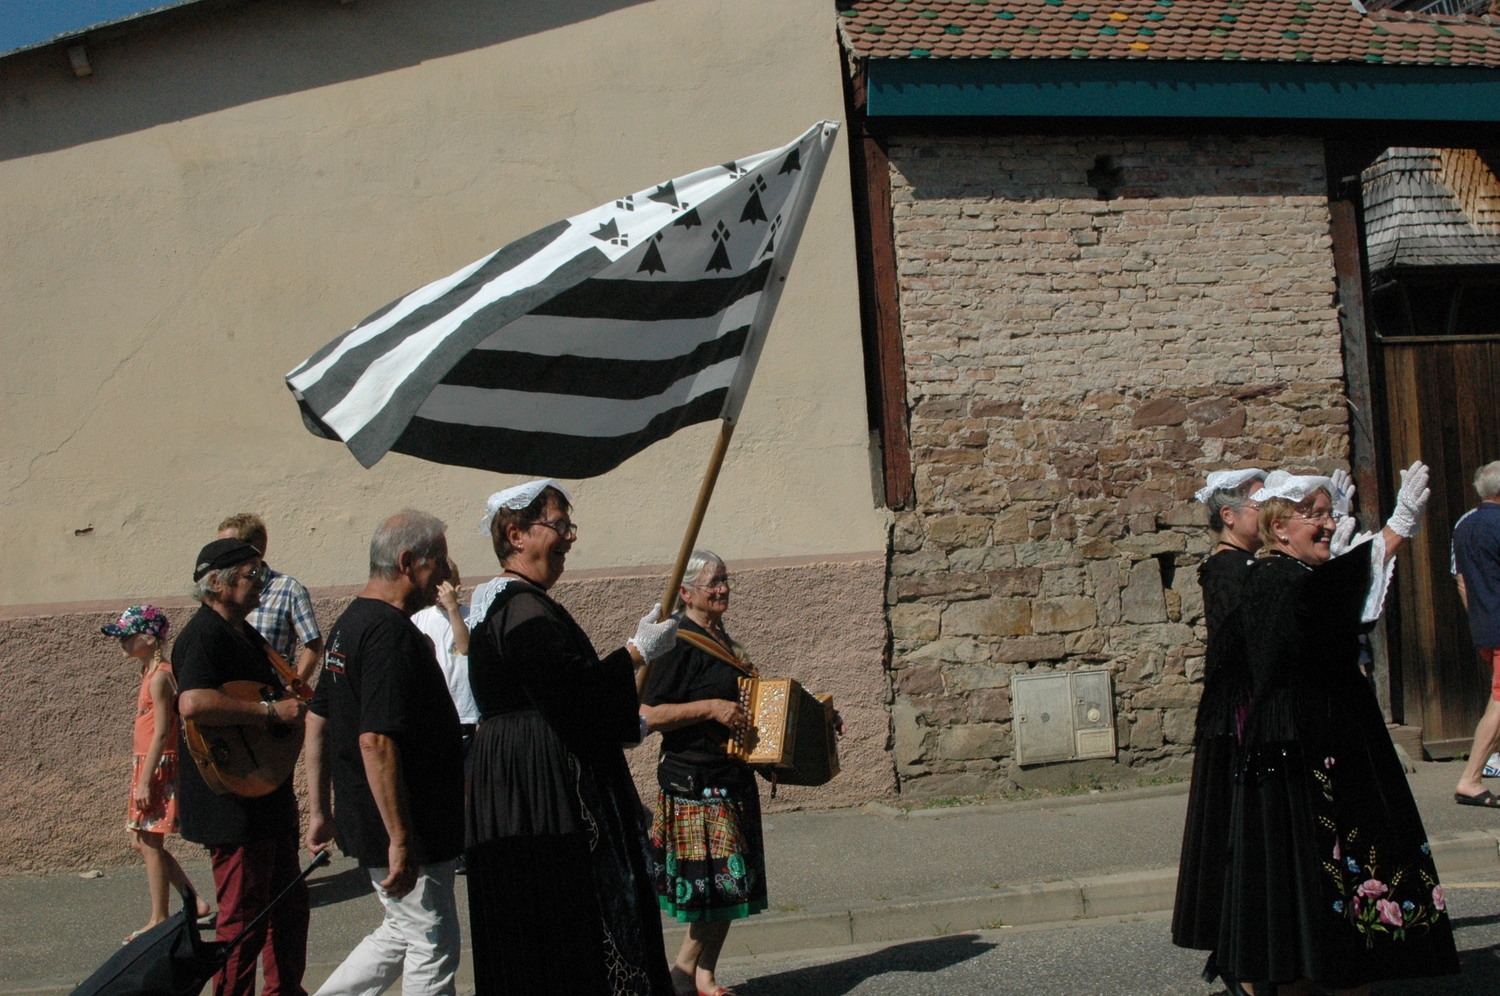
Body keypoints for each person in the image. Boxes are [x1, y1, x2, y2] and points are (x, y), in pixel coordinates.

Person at [1211, 463, 1459, 994]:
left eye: (1329, 515)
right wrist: (1395, 530)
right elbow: (1331, 600)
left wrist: (1344, 544)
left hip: (1318, 745)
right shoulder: (1274, 578)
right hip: (1302, 755)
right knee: (1314, 875)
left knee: (1321, 884)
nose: (1326, 525)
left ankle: (1320, 969)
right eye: (1313, 517)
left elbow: (1333, 605)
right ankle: (1317, 970)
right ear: (1279, 529)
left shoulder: (1291, 576)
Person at [464, 478, 678, 996]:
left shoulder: (515, 606)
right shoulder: (521, 611)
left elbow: (568, 691)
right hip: (543, 793)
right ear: (516, 534)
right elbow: (571, 694)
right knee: (570, 916)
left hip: (518, 783)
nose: (569, 539)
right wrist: (634, 653)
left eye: (568, 526)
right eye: (558, 525)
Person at [304, 511, 465, 996]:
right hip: (403, 821)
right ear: (408, 561)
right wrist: (400, 837)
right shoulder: (387, 632)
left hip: (375, 816)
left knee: (401, 931)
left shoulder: (349, 624)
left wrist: (319, 810)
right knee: (432, 943)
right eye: (438, 560)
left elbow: (318, 720)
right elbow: (375, 739)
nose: (444, 573)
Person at [175, 538, 310, 996]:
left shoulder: (243, 632)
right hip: (233, 802)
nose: (262, 584)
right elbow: (193, 702)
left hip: (264, 792)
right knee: (244, 919)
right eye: (253, 575)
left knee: (286, 907)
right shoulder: (204, 634)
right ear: (218, 583)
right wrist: (271, 714)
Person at [639, 551, 763, 996]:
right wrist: (710, 708)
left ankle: (705, 974)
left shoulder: (723, 639)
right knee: (715, 891)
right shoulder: (675, 641)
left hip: (730, 778)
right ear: (687, 592)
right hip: (694, 784)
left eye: (725, 579)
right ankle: (680, 973)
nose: (723, 589)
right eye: (713, 582)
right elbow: (648, 715)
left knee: (731, 887)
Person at [1172, 468, 1266, 984]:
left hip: (1242, 710)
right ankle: (1240, 951)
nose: (1268, 512)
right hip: (1238, 718)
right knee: (1238, 832)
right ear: (1228, 516)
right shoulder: (1231, 568)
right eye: (1258, 504)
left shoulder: (1247, 563)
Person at [103, 604, 212, 942]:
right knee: (141, 839)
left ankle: (160, 918)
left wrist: (147, 778)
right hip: (146, 764)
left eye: (127, 635)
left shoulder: (161, 676)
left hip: (156, 766)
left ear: (149, 639)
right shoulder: (149, 673)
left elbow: (163, 731)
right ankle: (194, 902)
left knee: (150, 841)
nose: (121, 641)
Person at [218, 513, 324, 685]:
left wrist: (294, 688)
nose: (220, 554)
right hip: (232, 696)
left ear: (256, 547)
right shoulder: (219, 588)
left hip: (274, 697)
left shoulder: (288, 588)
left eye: (229, 547)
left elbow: (314, 644)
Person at [1452, 459, 1500, 807]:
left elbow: (1463, 581)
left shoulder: (1464, 526)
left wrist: (1479, 617)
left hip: (1486, 623)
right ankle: (1470, 778)